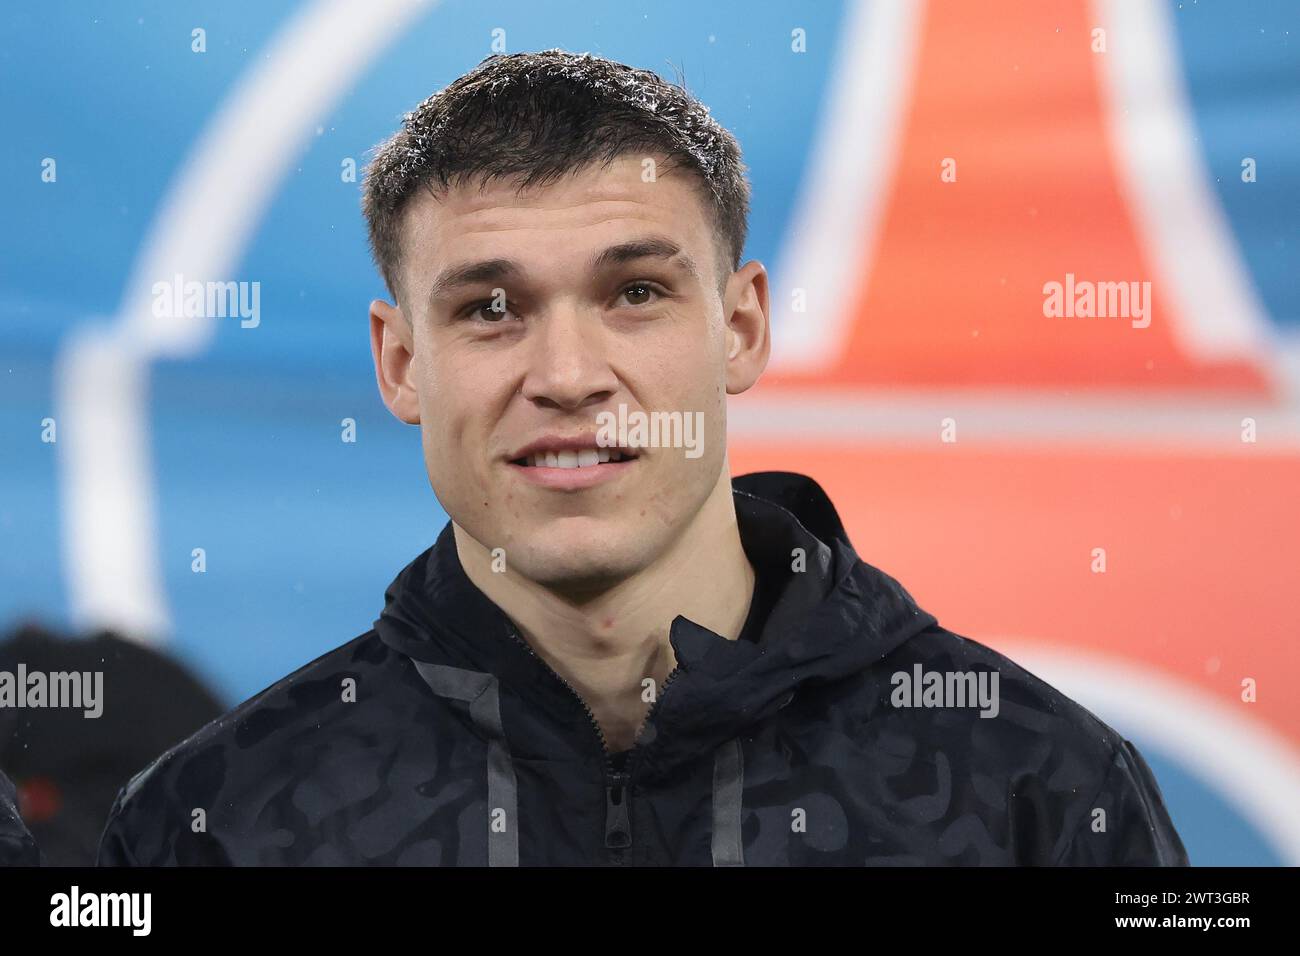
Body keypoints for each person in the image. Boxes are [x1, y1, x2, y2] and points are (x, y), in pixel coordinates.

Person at [97, 49, 1187, 866]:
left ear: (741, 328)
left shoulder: (1043, 785)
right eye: (489, 307)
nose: (567, 373)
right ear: (398, 362)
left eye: (635, 292)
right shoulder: (209, 819)